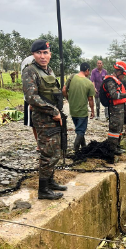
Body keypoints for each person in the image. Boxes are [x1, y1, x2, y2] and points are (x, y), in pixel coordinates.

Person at [22, 39, 67, 200]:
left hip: (53, 116)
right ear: (33, 54)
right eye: (39, 53)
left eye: (45, 53)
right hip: (43, 118)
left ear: (50, 54)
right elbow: (31, 97)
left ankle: (50, 181)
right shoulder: (30, 71)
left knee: (56, 150)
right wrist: (53, 110)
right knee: (48, 153)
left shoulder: (49, 70)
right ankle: (43, 190)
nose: (42, 56)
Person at [101, 61, 126, 155]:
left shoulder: (117, 80)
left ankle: (117, 146)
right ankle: (112, 149)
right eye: (123, 74)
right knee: (114, 129)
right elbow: (114, 95)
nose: (123, 76)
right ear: (118, 71)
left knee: (119, 128)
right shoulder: (110, 81)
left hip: (119, 108)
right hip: (114, 109)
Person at [62, 62, 95, 153]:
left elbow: (64, 90)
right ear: (87, 70)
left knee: (79, 129)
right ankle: (76, 148)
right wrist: (92, 111)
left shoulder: (72, 77)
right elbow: (90, 99)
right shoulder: (89, 83)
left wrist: (68, 98)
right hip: (82, 111)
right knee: (81, 130)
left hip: (72, 110)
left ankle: (83, 147)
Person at [21, 55, 38, 149]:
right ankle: (39, 144)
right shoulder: (28, 61)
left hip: (43, 97)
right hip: (32, 97)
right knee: (34, 122)